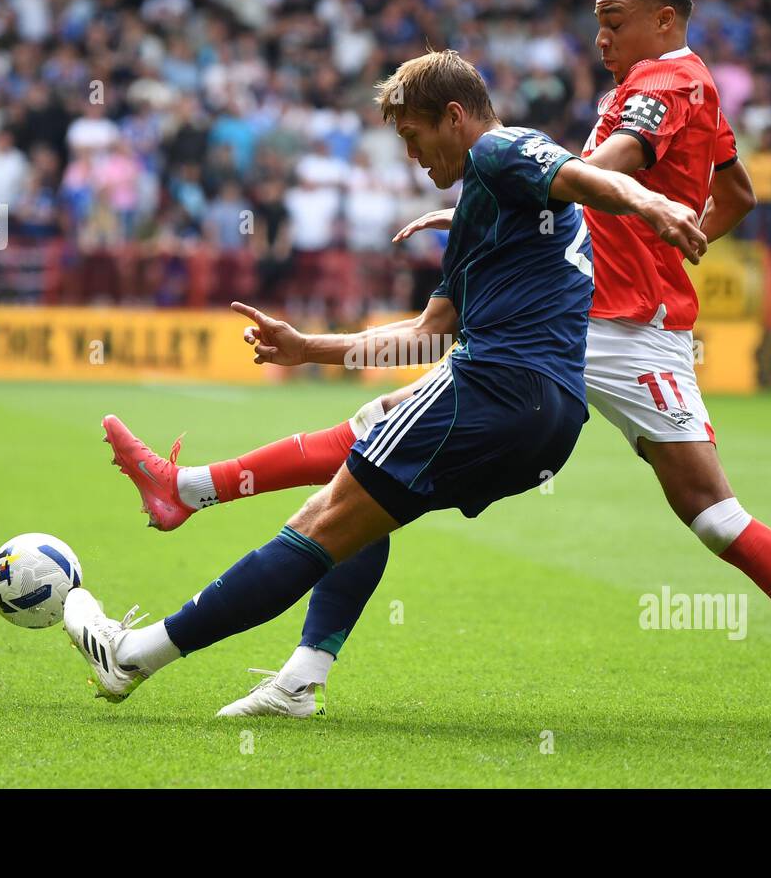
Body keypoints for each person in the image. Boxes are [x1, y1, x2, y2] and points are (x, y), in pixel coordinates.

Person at [68, 49, 707, 706]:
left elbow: (587, 177)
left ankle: (133, 655)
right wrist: (306, 347)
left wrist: (649, 204)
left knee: (321, 521)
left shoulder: (500, 150)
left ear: (454, 118)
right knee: (360, 485)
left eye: (414, 136)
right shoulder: (486, 214)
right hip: (550, 423)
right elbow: (425, 334)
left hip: (491, 391)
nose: (412, 155)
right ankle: (300, 672)